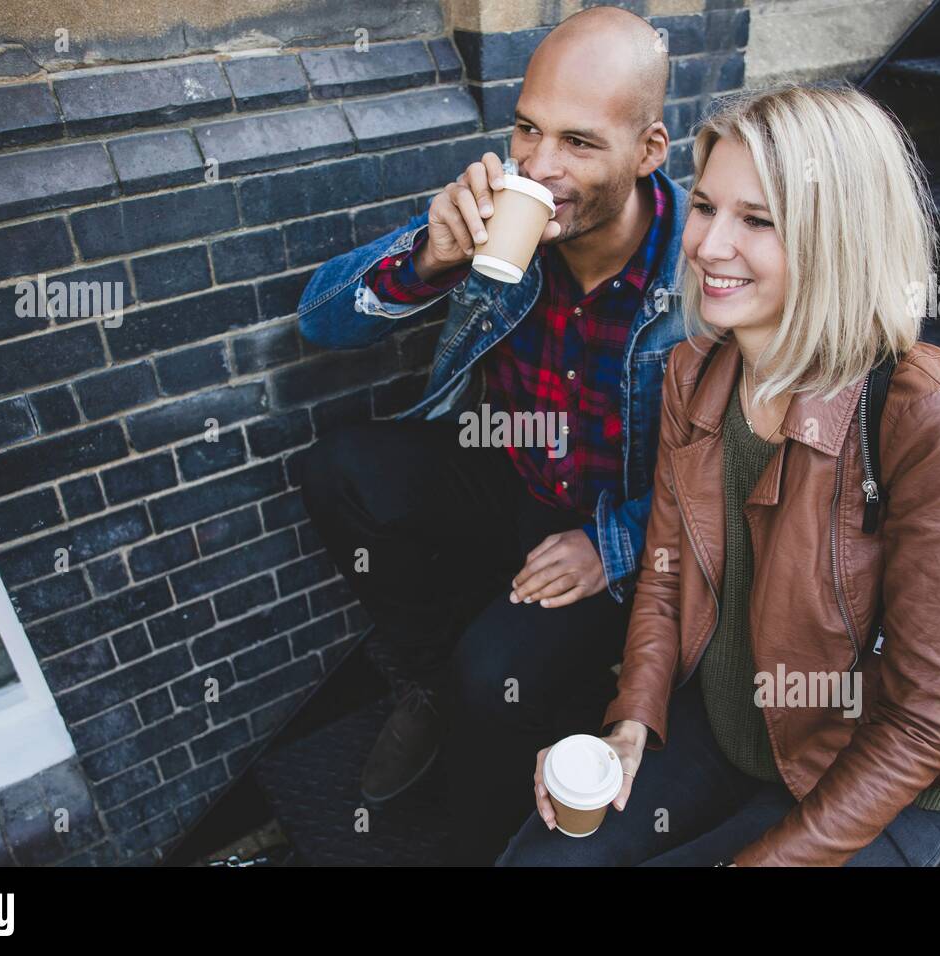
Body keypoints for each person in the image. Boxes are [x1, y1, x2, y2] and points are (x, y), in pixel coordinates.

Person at [497, 83, 940, 866]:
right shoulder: (692, 373)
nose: (706, 246)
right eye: (704, 207)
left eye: (759, 221)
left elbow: (921, 723)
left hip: (863, 776)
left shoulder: (932, 415)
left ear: (839, 238)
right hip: (725, 723)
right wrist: (630, 722)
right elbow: (665, 579)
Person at [296, 6, 689, 864]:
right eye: (527, 130)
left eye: (579, 144)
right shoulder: (502, 216)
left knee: (494, 681)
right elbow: (320, 320)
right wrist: (429, 260)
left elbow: (741, 467)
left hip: (610, 520)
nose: (541, 168)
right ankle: (432, 685)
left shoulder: (700, 267)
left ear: (650, 150)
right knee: (341, 471)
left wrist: (614, 543)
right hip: (504, 469)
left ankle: (484, 808)